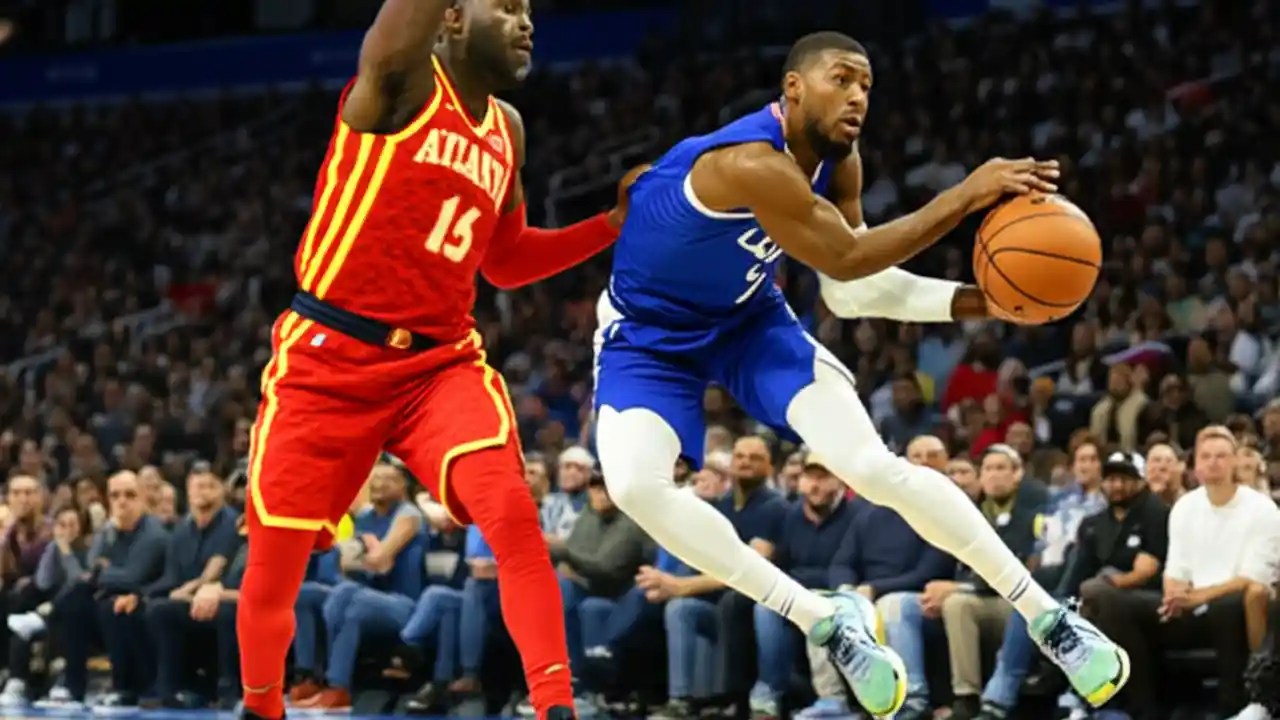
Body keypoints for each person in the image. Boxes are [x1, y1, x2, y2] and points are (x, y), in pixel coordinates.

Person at [592, 31, 1128, 717]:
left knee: (871, 466)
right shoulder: (747, 161)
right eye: (841, 79)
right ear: (793, 88)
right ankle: (821, 617)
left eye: (866, 86)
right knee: (636, 485)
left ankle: (1048, 615)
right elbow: (847, 259)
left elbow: (850, 291)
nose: (857, 97)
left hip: (749, 323)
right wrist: (966, 194)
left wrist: (985, 301)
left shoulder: (839, 161)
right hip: (649, 340)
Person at [235, 2, 642, 719]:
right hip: (330, 355)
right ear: (451, 17)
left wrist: (607, 227)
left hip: (437, 364)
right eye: (507, 6)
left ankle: (555, 707)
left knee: (511, 513)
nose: (526, 22)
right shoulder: (401, 81)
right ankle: (260, 706)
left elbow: (507, 263)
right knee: (275, 571)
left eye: (529, 10)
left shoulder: (507, 129)